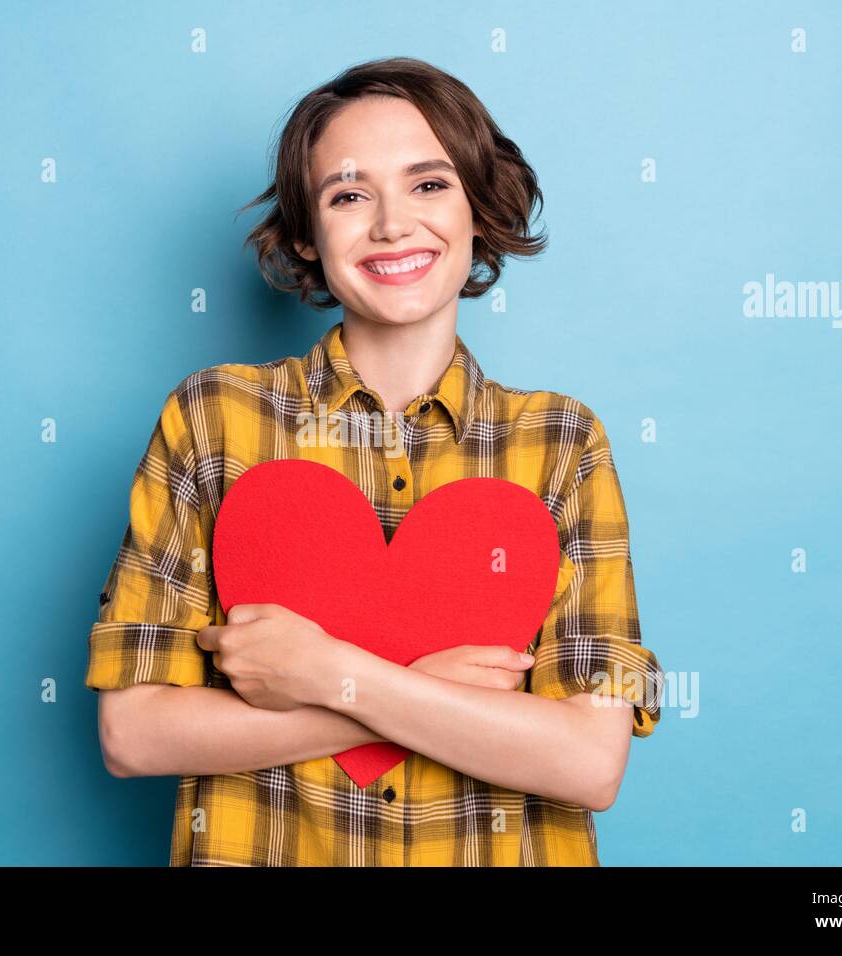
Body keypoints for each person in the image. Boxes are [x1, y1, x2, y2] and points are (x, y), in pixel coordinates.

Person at [85, 56, 664, 866]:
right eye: (350, 195)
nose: (392, 224)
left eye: (428, 185)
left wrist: (322, 670)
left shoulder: (563, 443)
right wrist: (424, 694)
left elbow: (588, 762)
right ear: (305, 235)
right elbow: (134, 732)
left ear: (477, 209)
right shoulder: (214, 418)